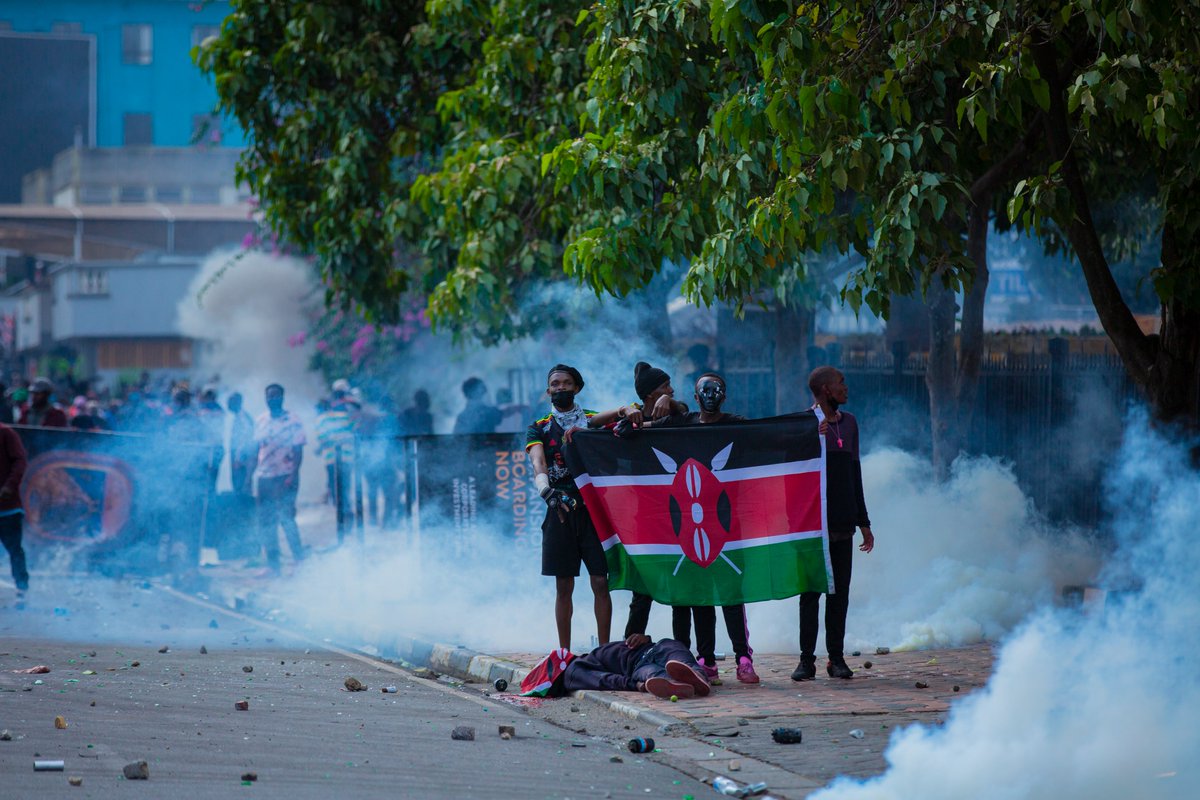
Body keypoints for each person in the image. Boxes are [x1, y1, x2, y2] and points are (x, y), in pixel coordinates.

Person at [653, 373, 759, 685]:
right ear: (696, 397)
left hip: (727, 526)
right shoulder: (682, 422)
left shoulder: (736, 424)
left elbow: (773, 436)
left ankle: (743, 658)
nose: (712, 394)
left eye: (718, 389)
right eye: (706, 390)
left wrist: (811, 428)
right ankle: (706, 660)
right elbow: (642, 433)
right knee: (699, 595)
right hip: (689, 527)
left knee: (730, 593)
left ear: (725, 396)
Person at [527, 364, 629, 650]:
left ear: (577, 387)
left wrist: (628, 410)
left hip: (594, 514)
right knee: (564, 585)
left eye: (567, 383)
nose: (561, 388)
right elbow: (538, 462)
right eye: (555, 384)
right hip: (558, 510)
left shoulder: (592, 420)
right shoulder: (540, 426)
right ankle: (564, 653)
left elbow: (622, 417)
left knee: (600, 581)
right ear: (548, 391)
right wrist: (546, 491)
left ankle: (605, 650)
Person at [793, 366, 875, 681]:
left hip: (842, 523)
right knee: (810, 593)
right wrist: (811, 440)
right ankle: (805, 660)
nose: (846, 387)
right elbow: (794, 478)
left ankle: (836, 658)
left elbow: (855, 474)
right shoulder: (804, 424)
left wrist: (863, 521)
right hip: (812, 528)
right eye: (841, 382)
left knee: (839, 593)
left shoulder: (850, 424)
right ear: (826, 389)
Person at [621, 361, 689, 639]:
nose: (671, 390)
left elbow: (684, 411)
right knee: (642, 591)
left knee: (681, 589)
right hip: (645, 520)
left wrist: (668, 401)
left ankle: (684, 653)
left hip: (677, 517)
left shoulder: (676, 417)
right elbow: (602, 429)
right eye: (664, 387)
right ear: (648, 393)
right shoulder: (628, 422)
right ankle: (629, 650)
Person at [560, 633, 713, 700]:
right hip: (637, 667)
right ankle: (679, 684)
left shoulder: (591, 656)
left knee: (677, 658)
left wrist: (644, 638)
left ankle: (695, 677)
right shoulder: (573, 671)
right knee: (654, 674)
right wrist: (636, 685)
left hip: (656, 647)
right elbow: (604, 680)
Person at [254, 383, 307, 572]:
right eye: (269, 396)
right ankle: (273, 565)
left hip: (285, 475)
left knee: (286, 518)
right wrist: (251, 477)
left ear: (282, 397)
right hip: (264, 477)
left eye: (276, 396)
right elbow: (256, 450)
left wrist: (293, 475)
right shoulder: (260, 420)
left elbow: (298, 450)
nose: (272, 399)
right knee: (266, 521)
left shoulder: (293, 420)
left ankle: (299, 560)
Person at [0, 421, 28, 606]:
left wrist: (9, 485)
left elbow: (20, 461)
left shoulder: (5, 433)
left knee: (14, 549)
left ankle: (22, 586)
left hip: (7, 507)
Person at [227, 392, 256, 499]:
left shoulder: (243, 418)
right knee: (237, 486)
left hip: (242, 459)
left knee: (242, 486)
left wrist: (239, 458)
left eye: (230, 401)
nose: (228, 404)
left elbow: (245, 438)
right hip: (238, 458)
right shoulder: (237, 417)